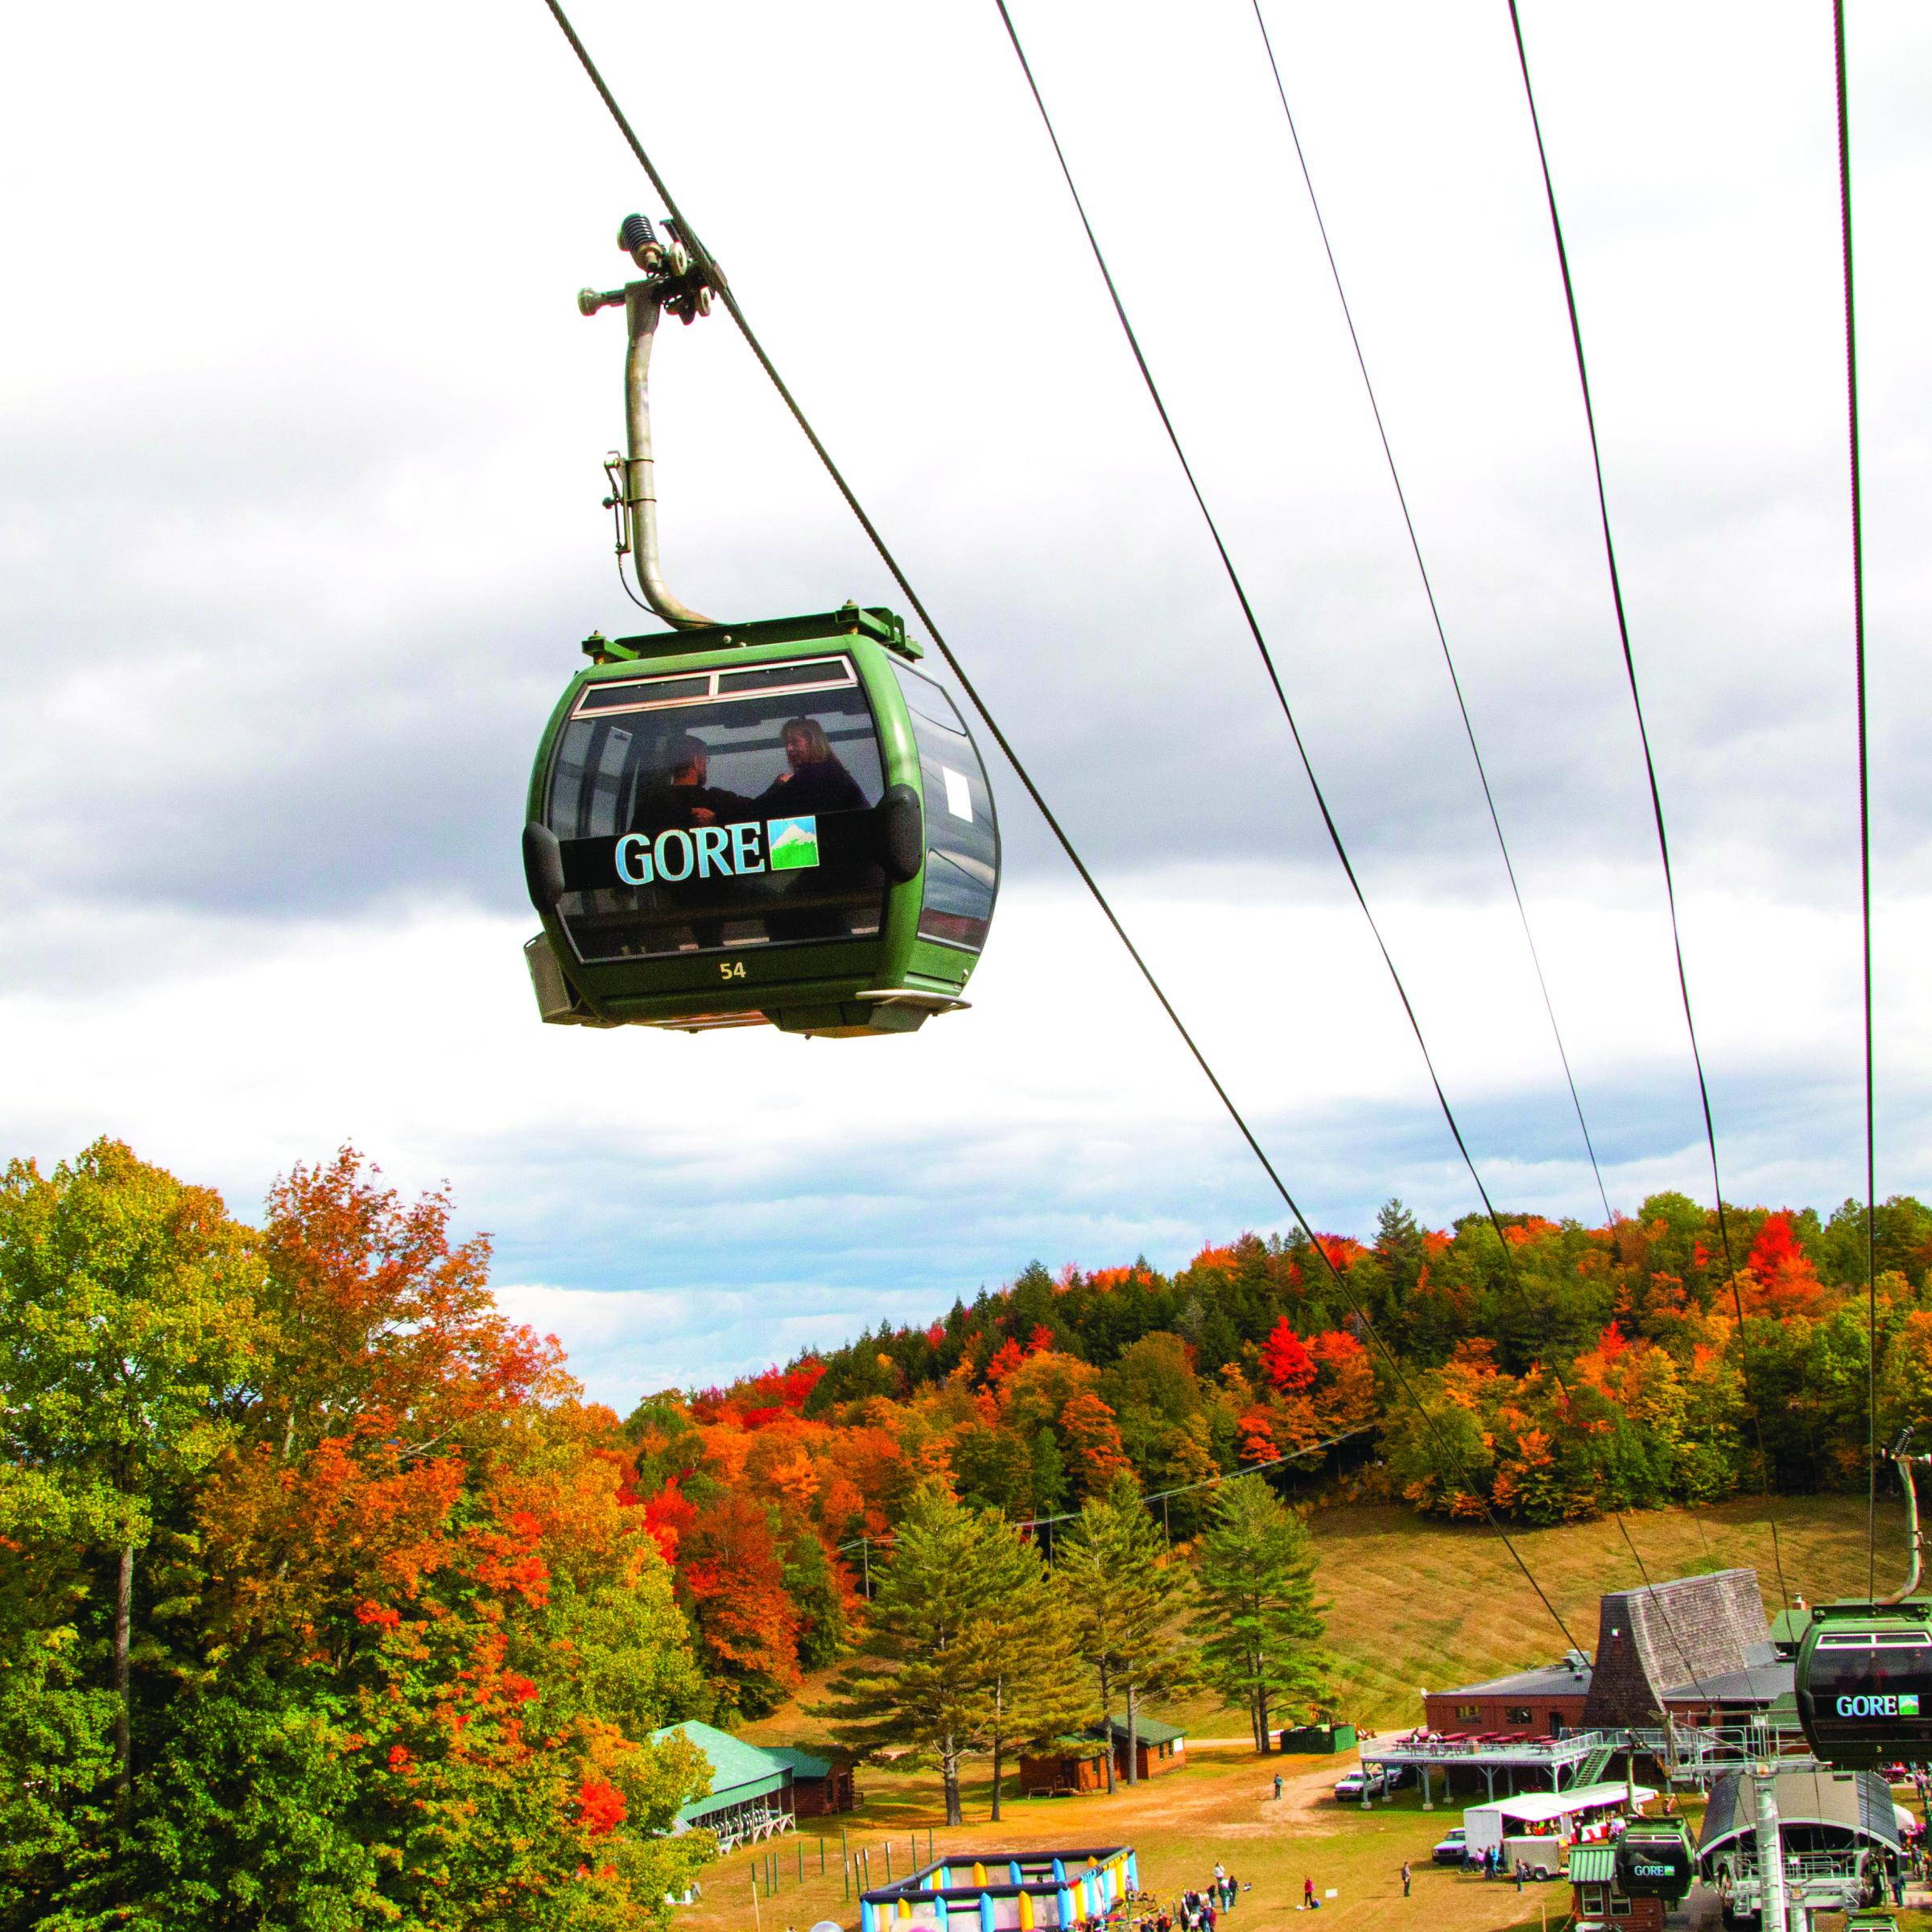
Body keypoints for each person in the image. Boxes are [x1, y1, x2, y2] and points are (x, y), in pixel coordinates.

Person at [758, 716, 868, 815]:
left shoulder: (812, 775)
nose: (789, 748)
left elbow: (759, 810)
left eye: (795, 742)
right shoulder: (834, 771)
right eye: (787, 743)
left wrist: (779, 784)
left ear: (812, 742)